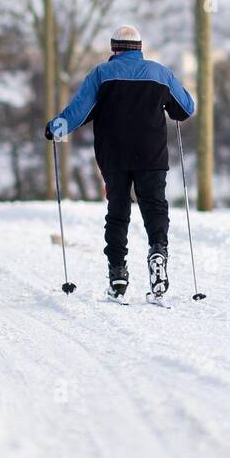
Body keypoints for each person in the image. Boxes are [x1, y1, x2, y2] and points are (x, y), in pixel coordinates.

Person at [44, 25, 195, 298]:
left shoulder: (101, 74)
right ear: (140, 47)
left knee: (118, 212)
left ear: (114, 48)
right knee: (154, 205)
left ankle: (117, 274)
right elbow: (185, 109)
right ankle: (158, 252)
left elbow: (78, 112)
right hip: (151, 153)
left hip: (114, 153)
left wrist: (56, 127)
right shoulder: (160, 73)